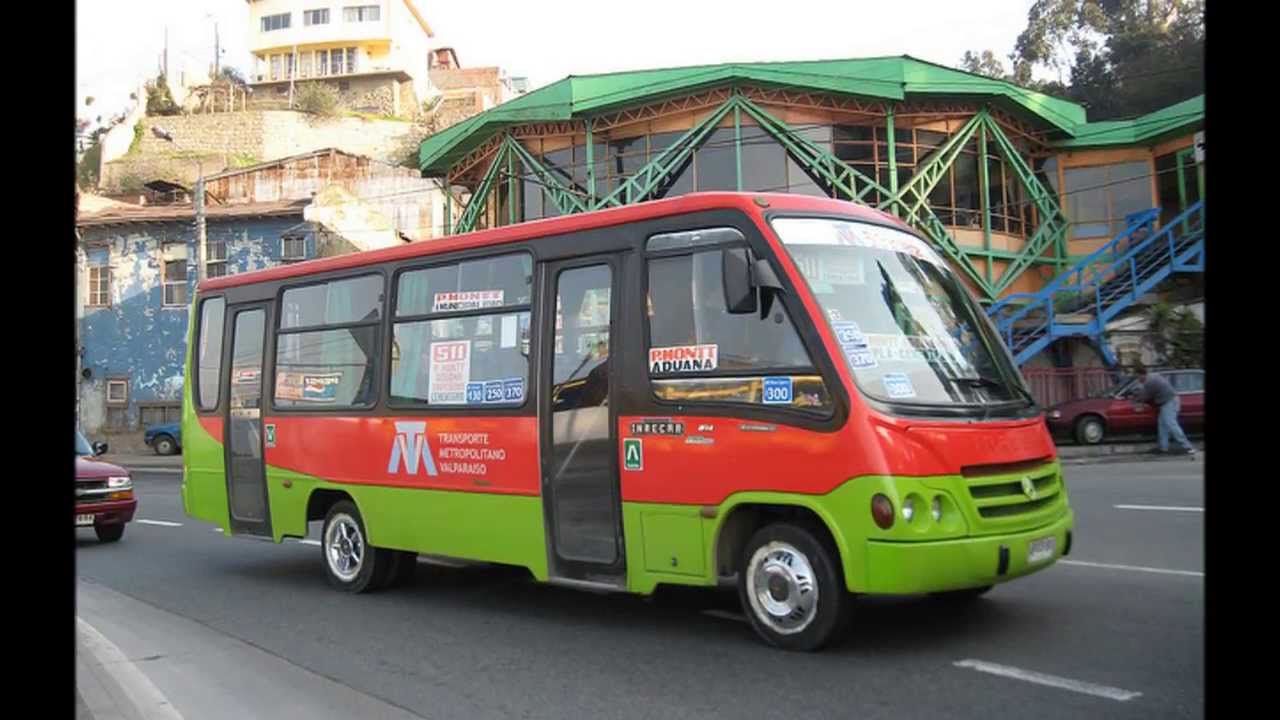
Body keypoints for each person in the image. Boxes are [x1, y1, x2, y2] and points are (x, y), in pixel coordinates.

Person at [1131, 364, 1196, 457]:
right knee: (1162, 425)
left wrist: (1135, 401)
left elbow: (1145, 397)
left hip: (1169, 402)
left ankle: (1188, 447)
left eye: (1137, 376)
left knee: (1171, 424)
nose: (1137, 379)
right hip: (1168, 402)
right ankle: (1163, 448)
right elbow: (1146, 395)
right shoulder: (1153, 376)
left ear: (1142, 374)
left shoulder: (1150, 382)